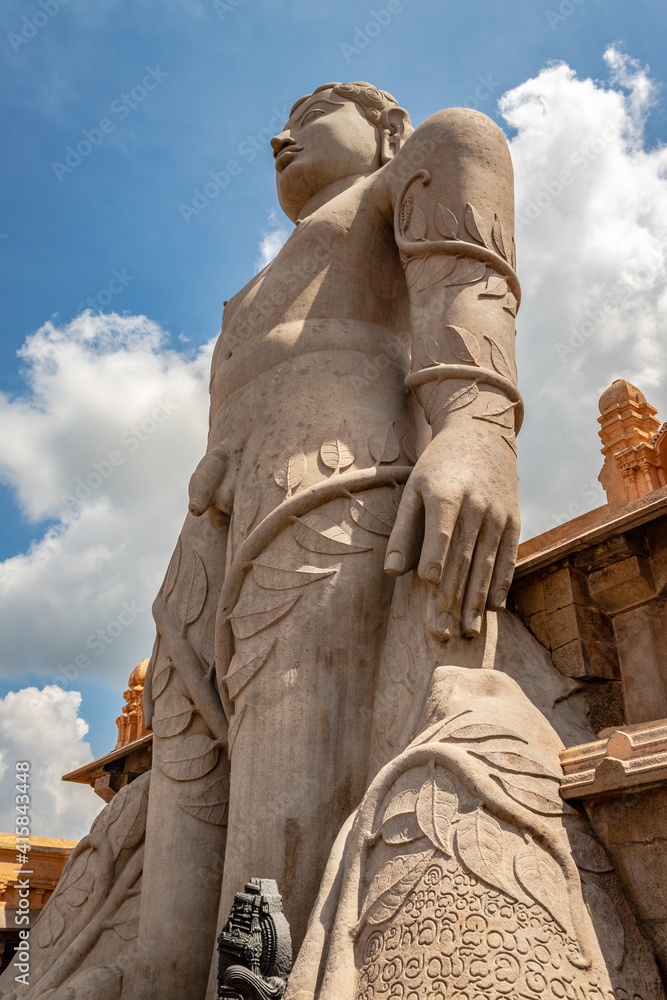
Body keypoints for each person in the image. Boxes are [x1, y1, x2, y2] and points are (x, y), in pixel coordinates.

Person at [8, 83, 663, 1000]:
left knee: (282, 821)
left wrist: (475, 428)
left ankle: (282, 976)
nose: (281, 134)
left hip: (327, 497)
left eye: (312, 111)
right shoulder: (249, 291)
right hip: (209, 546)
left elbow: (468, 287)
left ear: (385, 127)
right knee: (185, 796)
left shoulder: (422, 156)